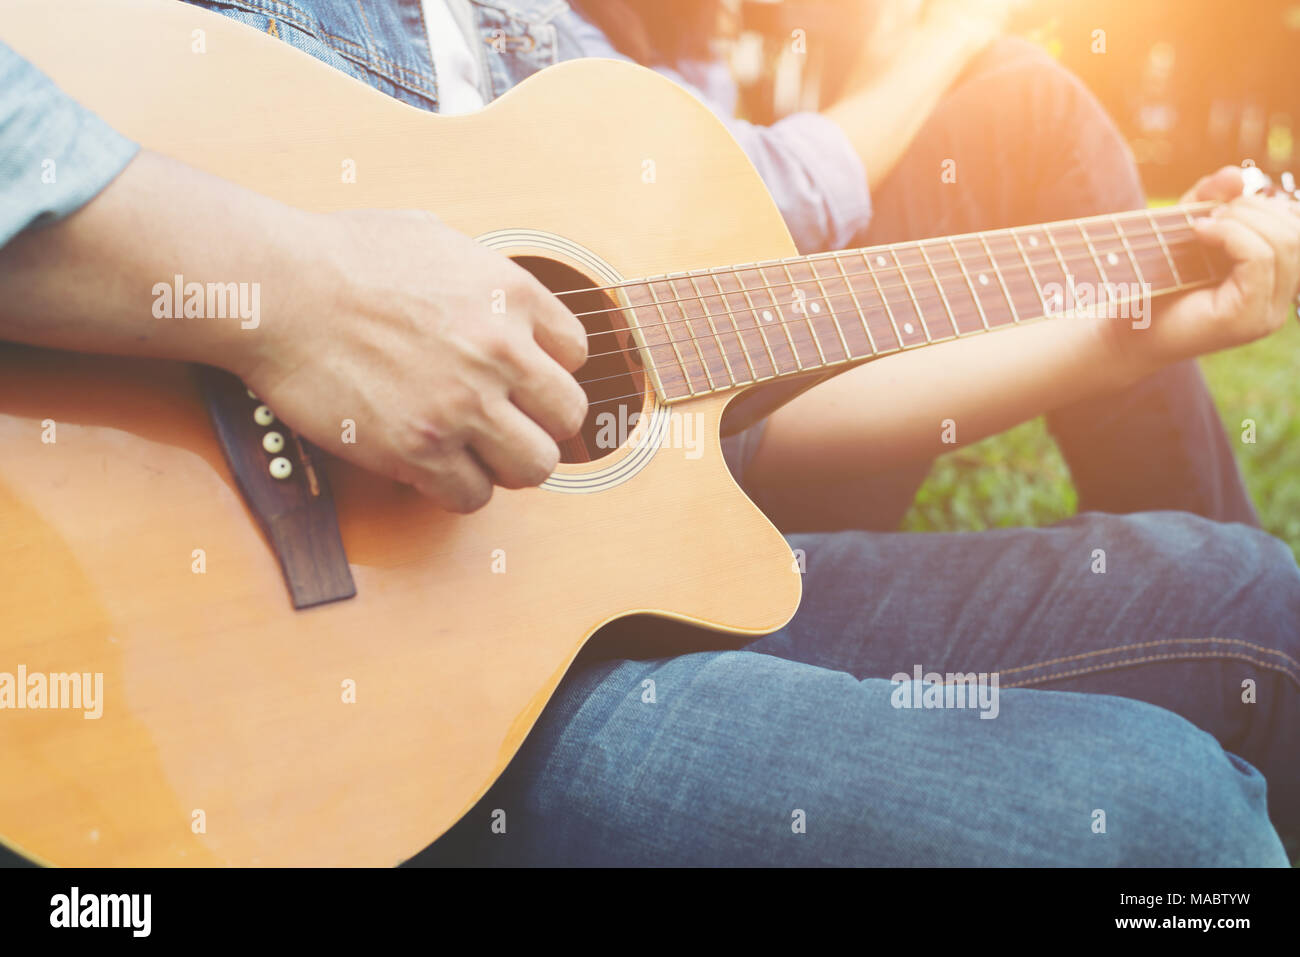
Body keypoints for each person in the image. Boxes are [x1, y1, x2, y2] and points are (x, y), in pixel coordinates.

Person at [1, 0, 1296, 866]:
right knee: (1161, 819)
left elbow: (747, 430)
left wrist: (1153, 317)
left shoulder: (554, 54)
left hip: (599, 611)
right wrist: (299, 303)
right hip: (390, 704)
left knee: (1257, 600)